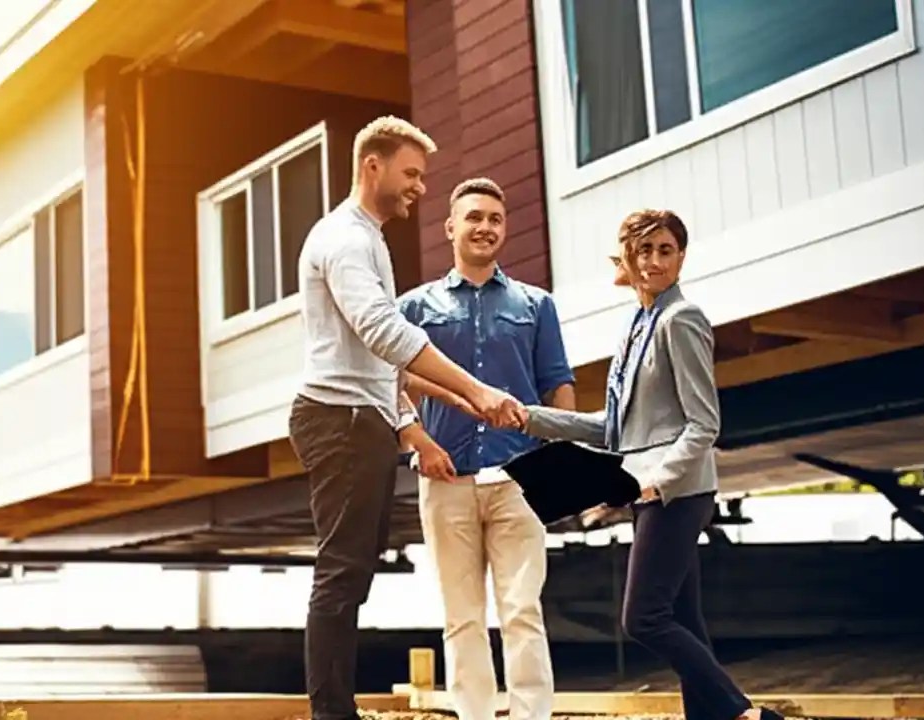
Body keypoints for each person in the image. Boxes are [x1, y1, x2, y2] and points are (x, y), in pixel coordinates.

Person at [289, 116, 525, 720]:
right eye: (411, 173)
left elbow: (378, 359)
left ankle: (335, 709)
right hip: (338, 420)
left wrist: (454, 402)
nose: (420, 186)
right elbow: (383, 330)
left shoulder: (367, 238)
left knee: (354, 570)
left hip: (358, 417)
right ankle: (331, 714)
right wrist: (474, 385)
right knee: (342, 572)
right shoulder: (345, 239)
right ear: (374, 165)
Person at [519, 210, 784, 720]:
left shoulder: (680, 320)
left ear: (682, 256)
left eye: (666, 250)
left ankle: (746, 715)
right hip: (646, 489)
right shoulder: (636, 326)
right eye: (645, 251)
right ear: (630, 259)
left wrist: (659, 484)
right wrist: (531, 419)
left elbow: (704, 424)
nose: (656, 260)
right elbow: (614, 430)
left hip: (676, 492)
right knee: (684, 618)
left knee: (643, 617)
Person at [398, 178, 575, 720]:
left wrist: (561, 457)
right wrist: (417, 439)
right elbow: (389, 378)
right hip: (445, 478)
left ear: (504, 229)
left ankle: (531, 716)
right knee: (462, 614)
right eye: (474, 217)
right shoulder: (414, 307)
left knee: (523, 610)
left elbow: (557, 385)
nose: (485, 227)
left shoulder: (536, 305)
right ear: (451, 227)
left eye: (495, 219)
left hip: (521, 476)